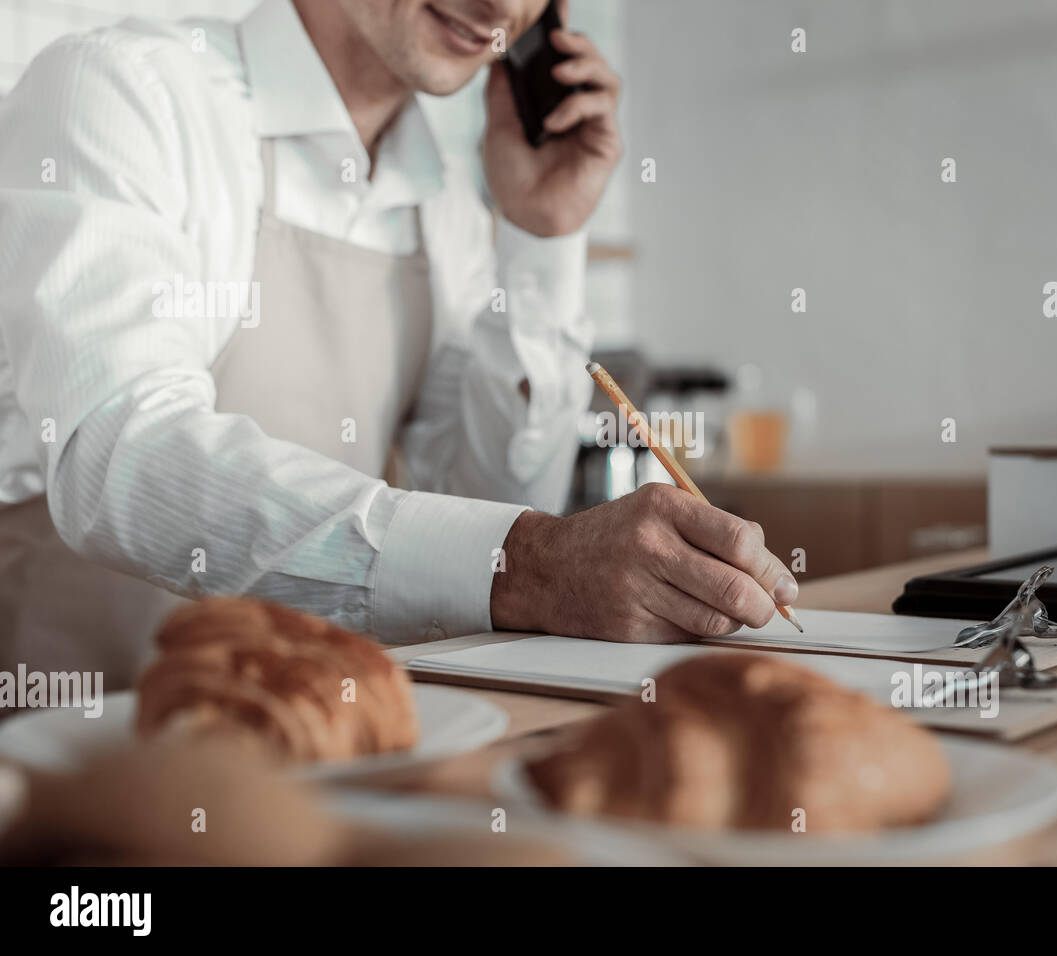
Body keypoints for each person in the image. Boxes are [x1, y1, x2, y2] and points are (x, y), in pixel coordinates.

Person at [0, 0, 798, 689]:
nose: (498, 9)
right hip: (79, 751)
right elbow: (118, 455)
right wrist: (527, 564)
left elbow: (490, 498)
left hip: (308, 749)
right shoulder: (122, 93)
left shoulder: (446, 192)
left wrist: (540, 236)